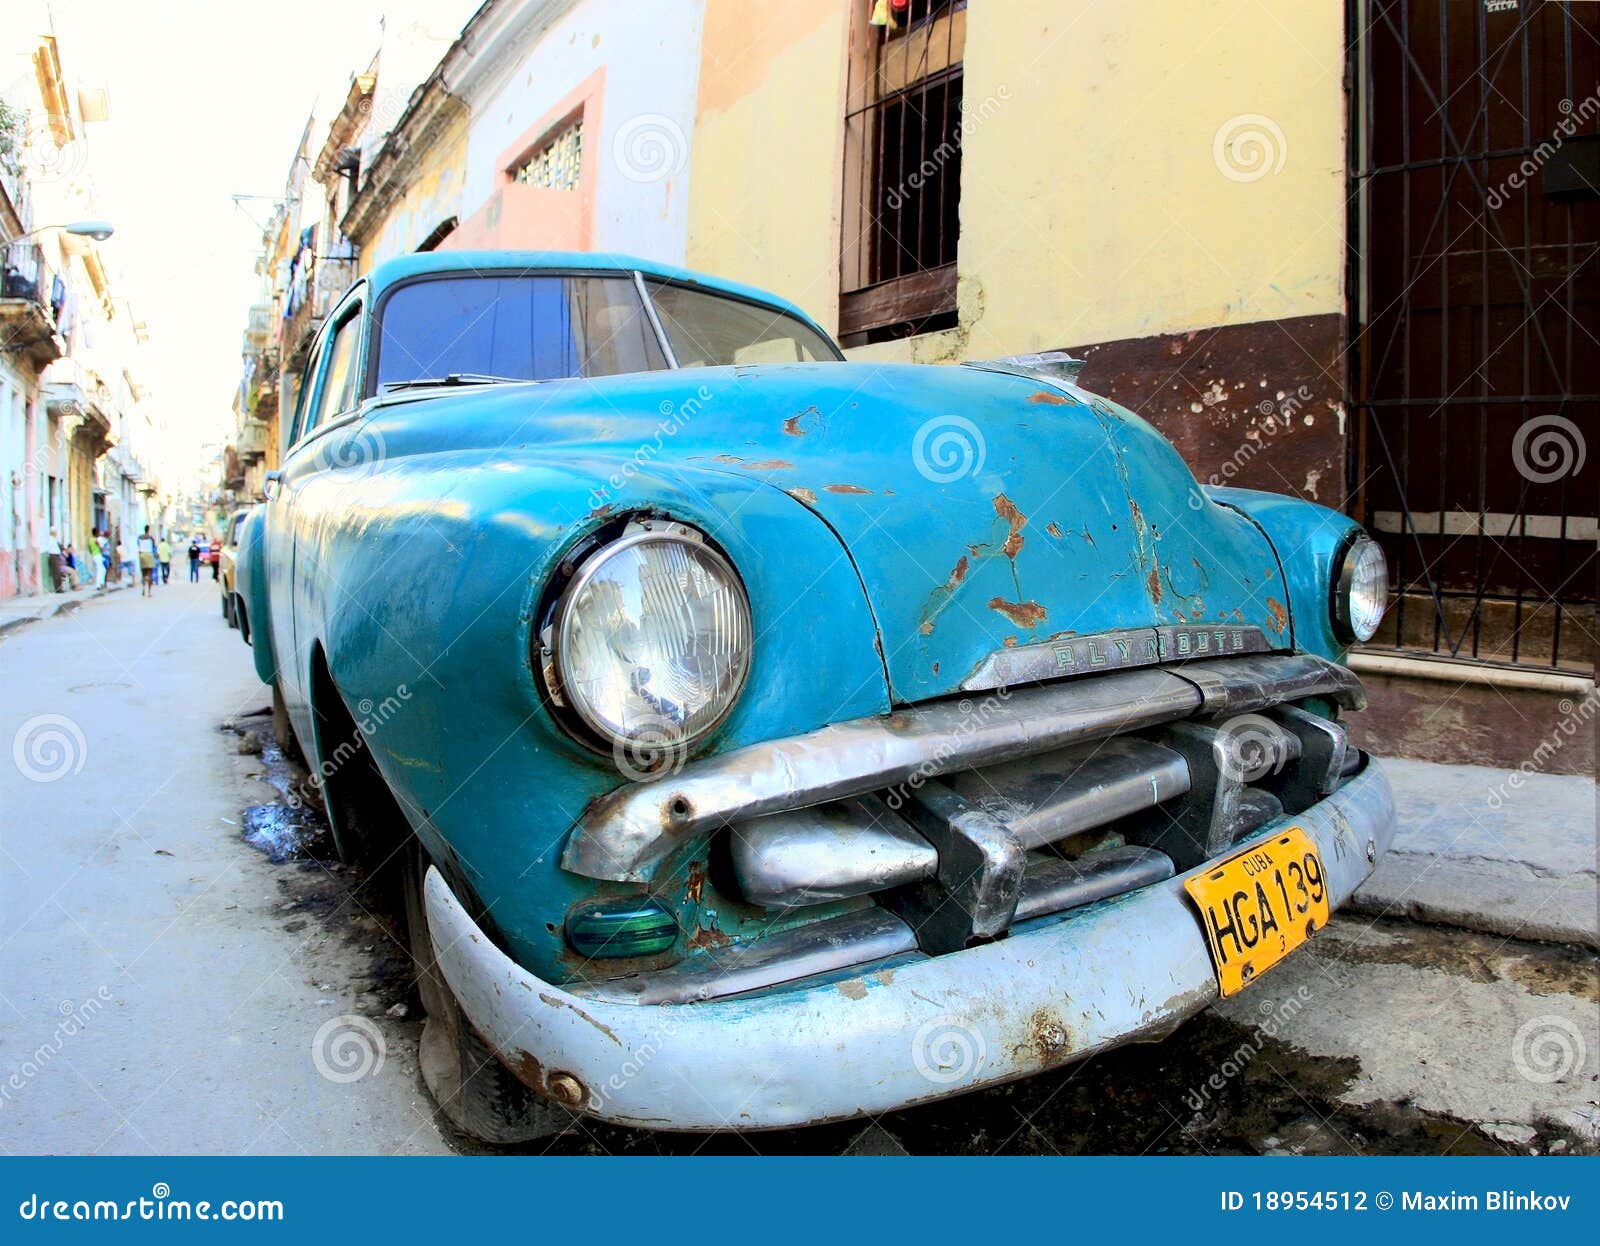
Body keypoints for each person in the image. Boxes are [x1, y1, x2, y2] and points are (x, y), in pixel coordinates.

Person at [136, 525, 158, 597]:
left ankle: (143, 588)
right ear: (148, 530)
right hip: (149, 555)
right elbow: (154, 548)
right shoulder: (151, 538)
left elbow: (138, 546)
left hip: (142, 555)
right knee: (150, 574)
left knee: (143, 573)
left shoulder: (139, 537)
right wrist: (156, 555)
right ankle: (149, 592)